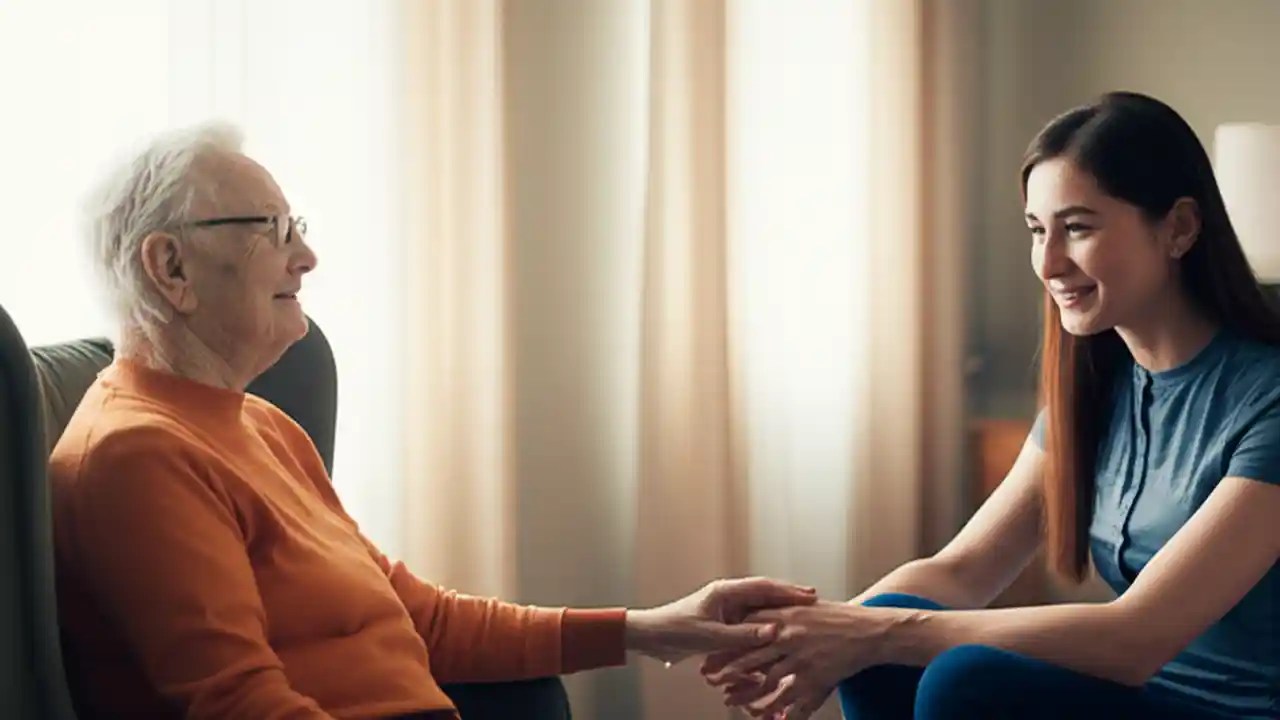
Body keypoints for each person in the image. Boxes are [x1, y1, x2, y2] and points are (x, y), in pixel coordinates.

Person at [49, 123, 818, 720]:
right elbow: (241, 705)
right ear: (170, 268)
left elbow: (419, 619)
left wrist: (650, 629)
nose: (307, 256)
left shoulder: (261, 425)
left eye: (299, 226)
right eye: (274, 230)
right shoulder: (137, 457)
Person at [701, 91, 1280, 719]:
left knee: (960, 678)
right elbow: (960, 571)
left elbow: (1137, 637)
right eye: (1038, 231)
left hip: (1236, 710)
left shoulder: (1267, 400)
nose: (1050, 263)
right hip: (1144, 699)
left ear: (1179, 228)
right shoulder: (1098, 391)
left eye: (1079, 227)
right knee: (885, 633)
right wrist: (818, 637)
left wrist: (869, 636)